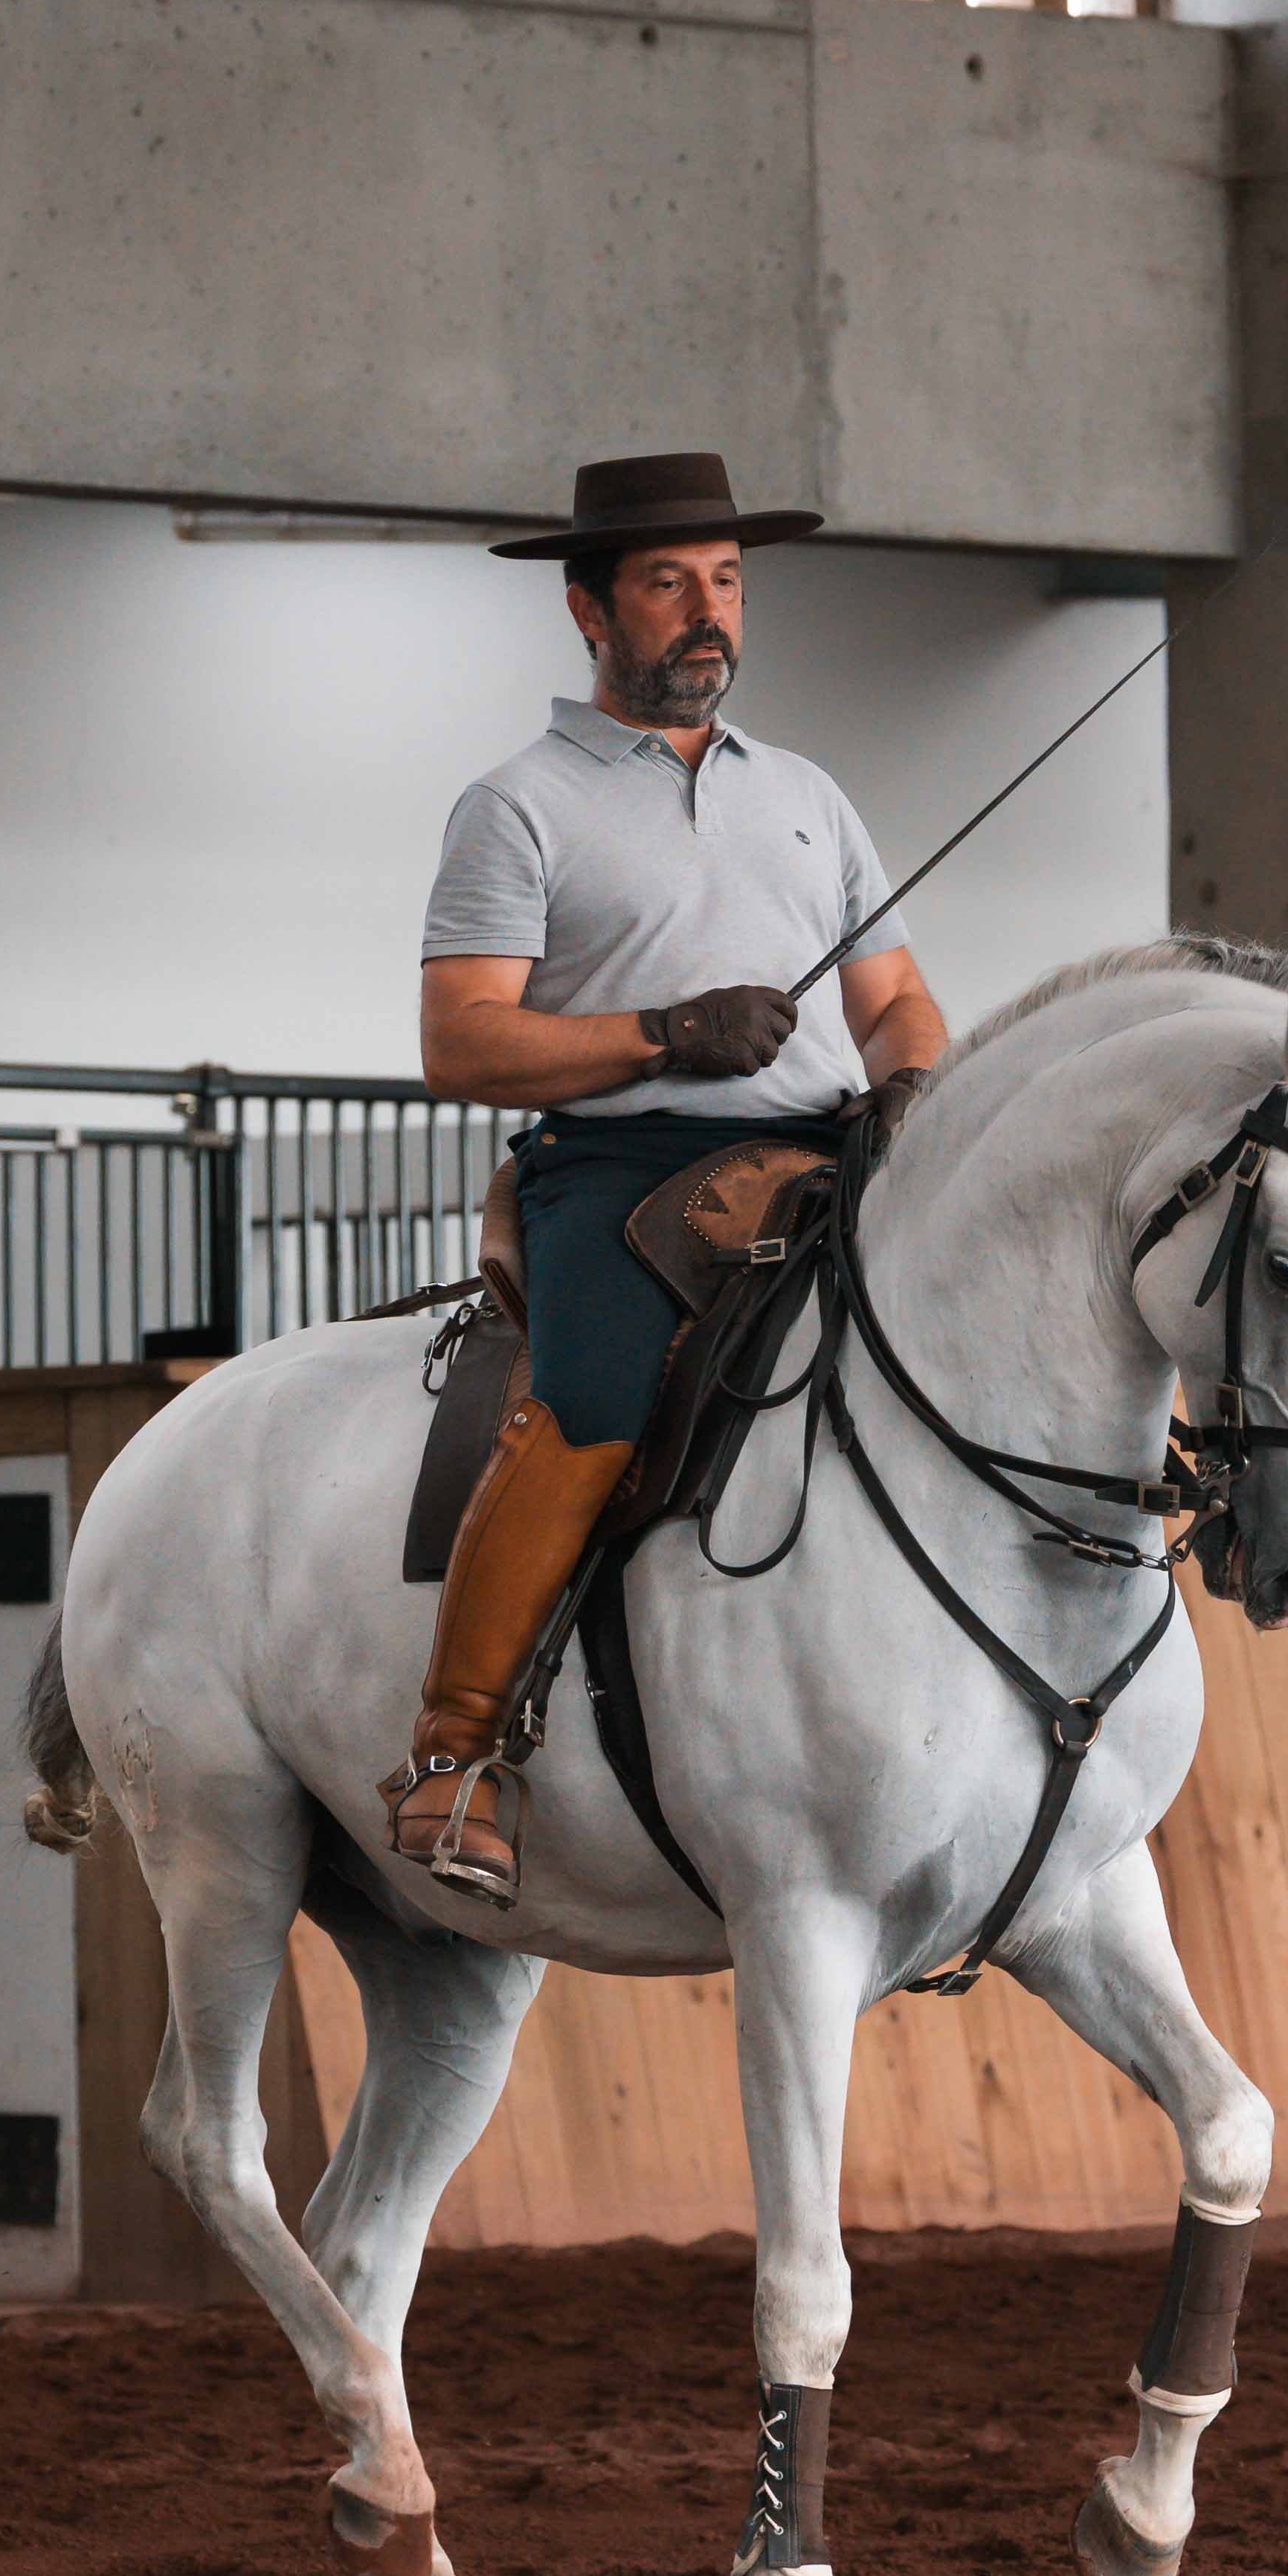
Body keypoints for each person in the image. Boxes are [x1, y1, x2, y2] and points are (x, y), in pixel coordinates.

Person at [390, 452, 947, 1907]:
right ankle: (455, 1751)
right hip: (624, 1168)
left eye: (727, 581)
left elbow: (895, 999)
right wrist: (662, 1035)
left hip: (831, 1153)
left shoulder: (812, 796)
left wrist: (912, 1085)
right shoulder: (516, 807)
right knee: (591, 1405)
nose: (707, 614)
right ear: (590, 609)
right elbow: (459, 1040)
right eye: (666, 584)